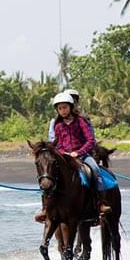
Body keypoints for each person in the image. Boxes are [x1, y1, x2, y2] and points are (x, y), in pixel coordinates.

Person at [36, 92, 104, 223]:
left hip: (83, 156)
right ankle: (46, 208)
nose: (63, 111)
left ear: (71, 107)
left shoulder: (80, 121)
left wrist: (78, 152)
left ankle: (100, 203)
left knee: (95, 170)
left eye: (65, 108)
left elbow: (90, 140)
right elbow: (58, 143)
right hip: (65, 157)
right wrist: (63, 153)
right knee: (47, 174)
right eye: (60, 108)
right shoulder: (58, 125)